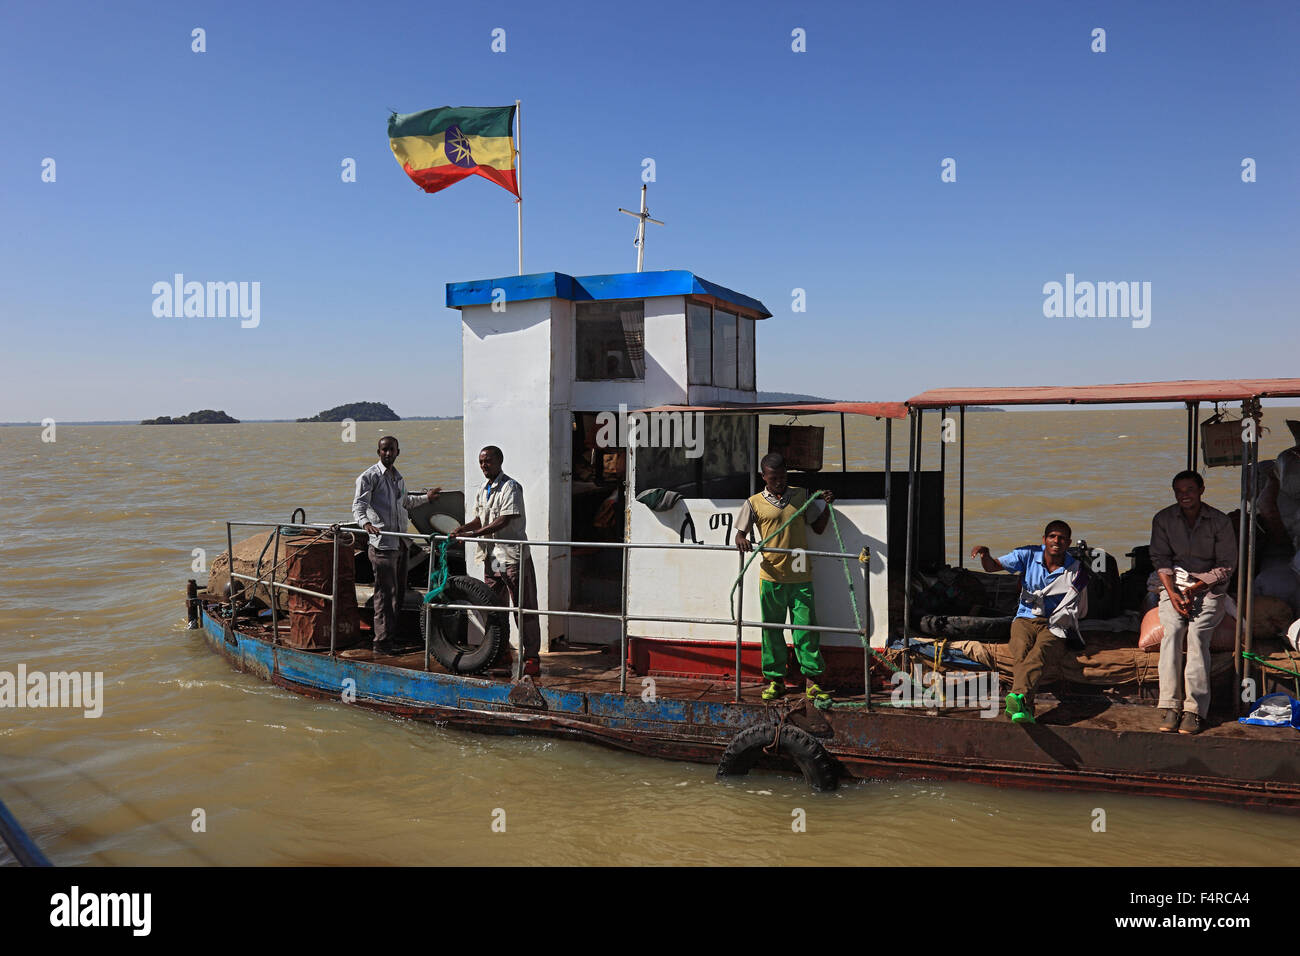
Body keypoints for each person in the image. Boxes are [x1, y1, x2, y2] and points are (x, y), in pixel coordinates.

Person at [734, 453, 835, 705]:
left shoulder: (801, 496)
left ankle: (812, 681)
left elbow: (818, 527)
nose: (779, 482)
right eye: (774, 477)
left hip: (801, 575)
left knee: (806, 630)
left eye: (782, 477)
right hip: (771, 576)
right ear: (763, 477)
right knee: (772, 630)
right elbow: (739, 535)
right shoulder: (753, 503)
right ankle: (775, 680)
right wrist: (742, 540)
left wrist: (827, 508)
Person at [971, 520, 1088, 724]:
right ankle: (1024, 707)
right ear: (1044, 540)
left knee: (1039, 653)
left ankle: (1018, 700)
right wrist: (985, 553)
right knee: (1020, 650)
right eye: (1052, 536)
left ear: (1068, 542)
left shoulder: (1075, 569)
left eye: (1061, 538)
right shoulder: (1027, 555)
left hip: (1055, 624)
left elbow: (1080, 609)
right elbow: (991, 567)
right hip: (1024, 618)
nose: (1056, 541)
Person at [1150, 470, 1237, 735]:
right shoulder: (1163, 519)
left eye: (1189, 490)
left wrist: (1198, 586)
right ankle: (1169, 705)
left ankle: (1194, 710)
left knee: (1198, 636)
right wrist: (1173, 592)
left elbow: (1226, 566)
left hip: (1209, 588)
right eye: (1179, 491)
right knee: (1173, 632)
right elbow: (1160, 560)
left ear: (1201, 490)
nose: (1183, 495)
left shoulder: (1219, 521)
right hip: (1173, 585)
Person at [450, 446, 542, 677]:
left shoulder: (511, 487)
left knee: (523, 607)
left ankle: (531, 656)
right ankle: (502, 651)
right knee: (494, 607)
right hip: (492, 558)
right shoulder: (483, 488)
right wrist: (464, 528)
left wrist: (475, 534)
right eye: (481, 462)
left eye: (488, 461)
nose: (484, 466)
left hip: (512, 556)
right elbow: (481, 518)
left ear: (500, 461)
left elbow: (505, 519)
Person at [352, 436, 440, 654]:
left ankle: (391, 636)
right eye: (384, 450)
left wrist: (427, 498)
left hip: (400, 543)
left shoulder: (398, 478)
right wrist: (366, 524)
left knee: (398, 593)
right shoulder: (369, 477)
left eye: (392, 450)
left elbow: (406, 502)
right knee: (384, 594)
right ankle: (381, 642)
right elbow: (358, 506)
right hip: (382, 545)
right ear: (378, 452)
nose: (388, 453)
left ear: (398, 452)